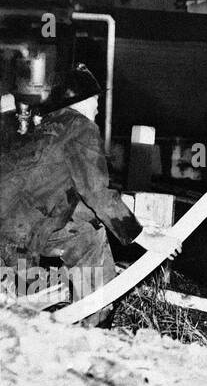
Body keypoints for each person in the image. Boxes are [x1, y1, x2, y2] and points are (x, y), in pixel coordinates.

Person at [0, 65, 180, 324]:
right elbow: (96, 192)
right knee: (92, 236)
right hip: (22, 236)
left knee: (81, 232)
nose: (97, 107)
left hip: (9, 230)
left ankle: (50, 300)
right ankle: (96, 317)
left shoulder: (44, 127)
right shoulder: (81, 128)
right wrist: (145, 237)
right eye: (95, 100)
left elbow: (51, 193)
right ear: (80, 102)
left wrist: (136, 221)